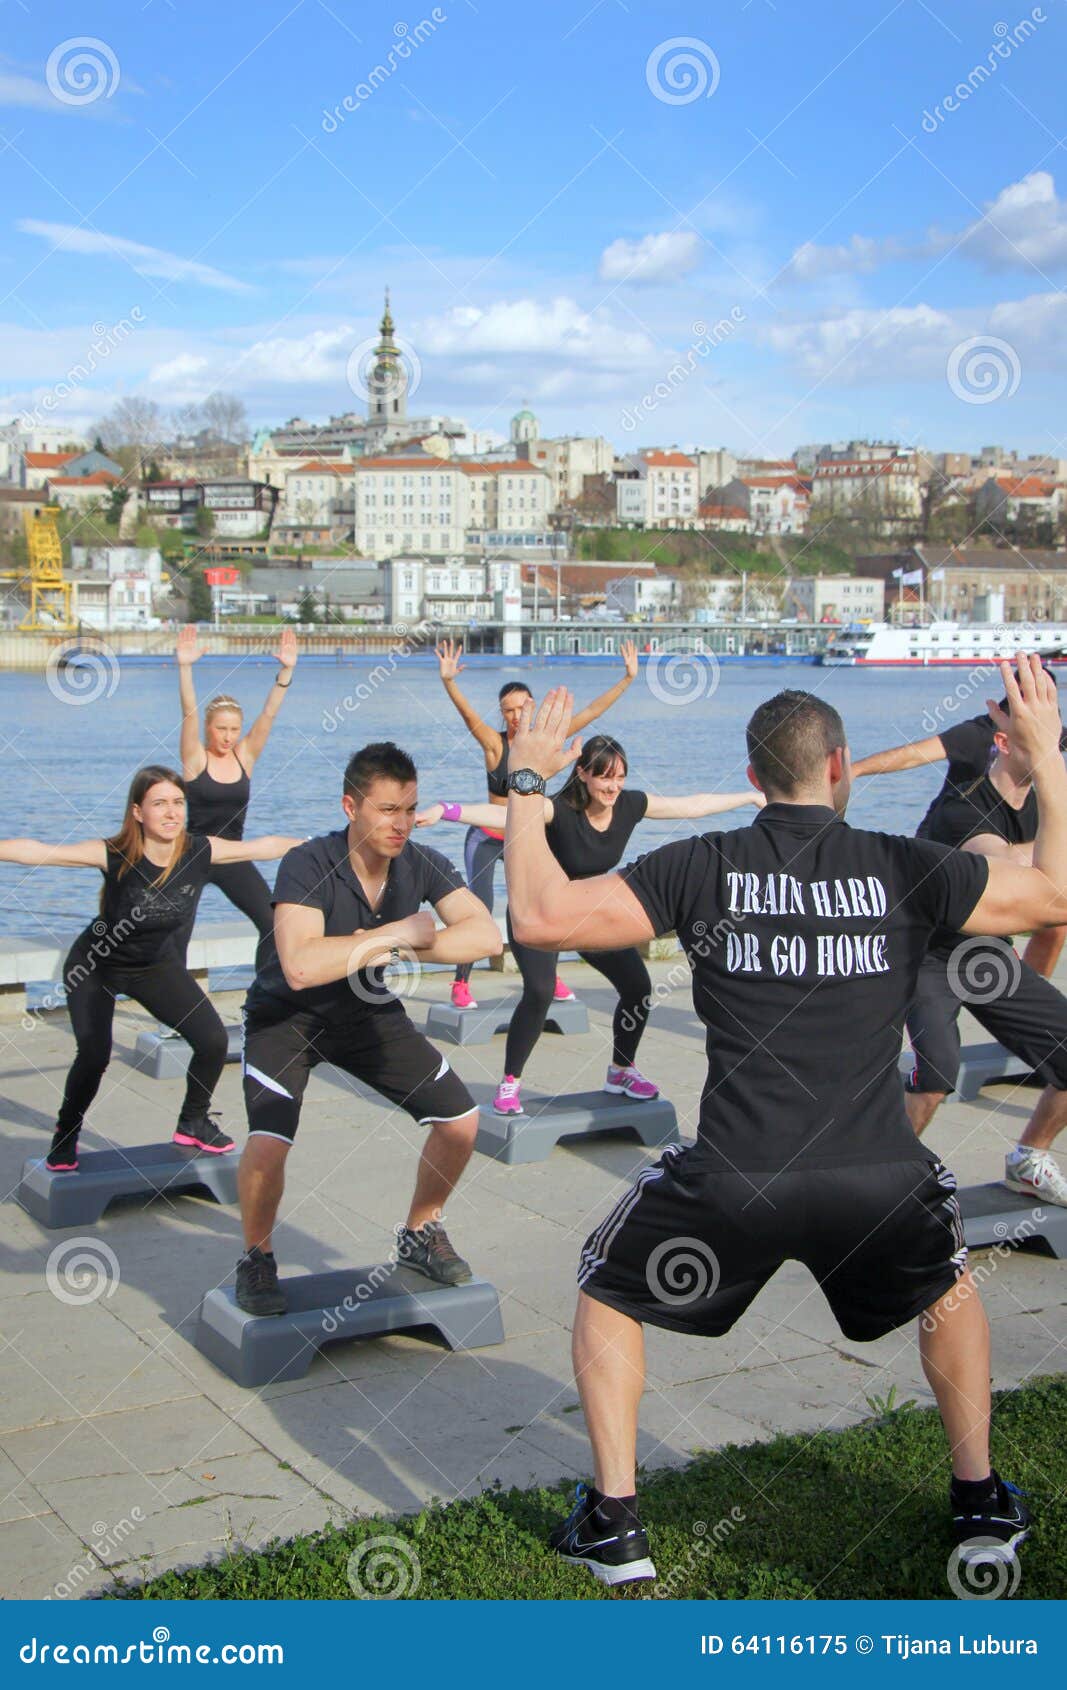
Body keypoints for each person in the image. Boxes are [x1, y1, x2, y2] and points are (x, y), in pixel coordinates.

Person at [501, 660, 1067, 1586]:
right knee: (948, 1285)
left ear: (754, 774)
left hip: (737, 1177)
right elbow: (1052, 894)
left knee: (608, 1289)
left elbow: (536, 915)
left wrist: (527, 781)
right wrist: (1044, 755)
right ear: (838, 767)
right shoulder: (903, 865)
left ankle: (615, 1524)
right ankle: (978, 1501)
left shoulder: (701, 864)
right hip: (876, 1175)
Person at [235, 741, 502, 1317]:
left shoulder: (421, 861)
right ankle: (256, 1256)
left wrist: (385, 944)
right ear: (351, 806)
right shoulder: (308, 861)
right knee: (269, 1139)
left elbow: (486, 937)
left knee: (461, 1121)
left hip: (367, 1013)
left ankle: (419, 1233)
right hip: (286, 1019)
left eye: (409, 809)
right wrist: (401, 934)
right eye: (387, 810)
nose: (401, 823)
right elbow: (301, 966)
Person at [418, 736, 758, 1116]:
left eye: (620, 778)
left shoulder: (629, 805)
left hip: (588, 914)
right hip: (541, 914)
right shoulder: (559, 809)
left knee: (638, 987)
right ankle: (510, 1084)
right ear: (582, 774)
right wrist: (446, 810)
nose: (613, 787)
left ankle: (621, 1070)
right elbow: (504, 815)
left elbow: (690, 805)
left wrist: (749, 797)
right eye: (604, 778)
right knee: (540, 992)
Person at [0, 767, 301, 1172]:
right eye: (160, 803)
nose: (172, 812)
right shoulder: (115, 852)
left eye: (178, 802)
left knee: (213, 1041)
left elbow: (266, 847)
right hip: (96, 965)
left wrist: (334, 845)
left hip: (154, 966)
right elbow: (37, 851)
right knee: (94, 1055)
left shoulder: (200, 850)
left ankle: (193, 1121)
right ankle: (65, 1137)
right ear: (138, 812)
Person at [903, 708, 1067, 1205]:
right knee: (935, 1076)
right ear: (1004, 742)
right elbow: (1005, 862)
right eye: (1038, 741)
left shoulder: (1043, 803)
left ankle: (1028, 1159)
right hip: (924, 953)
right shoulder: (963, 805)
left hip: (983, 955)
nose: (1050, 752)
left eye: (1055, 743)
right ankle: (881, 1175)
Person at [434, 637, 639, 1011]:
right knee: (479, 906)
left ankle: (547, 976)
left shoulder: (549, 740)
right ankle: (461, 982)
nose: (514, 715)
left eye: (521, 707)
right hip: (487, 837)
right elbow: (467, 716)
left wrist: (628, 679)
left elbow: (592, 712)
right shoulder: (495, 746)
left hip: (526, 838)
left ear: (533, 707)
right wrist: (449, 681)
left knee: (546, 901)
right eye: (507, 710)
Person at [852, 691, 1067, 978]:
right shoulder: (975, 735)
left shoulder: (1039, 784)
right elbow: (911, 755)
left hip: (993, 855)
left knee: (1055, 916)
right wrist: (853, 770)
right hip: (952, 843)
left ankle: (1029, 988)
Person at [175, 624, 298, 971]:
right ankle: (177, 1015)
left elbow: (268, 715)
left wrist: (285, 672)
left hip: (234, 855)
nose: (228, 736)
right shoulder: (196, 758)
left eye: (233, 729)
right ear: (208, 729)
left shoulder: (245, 757)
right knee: (177, 935)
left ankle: (260, 1003)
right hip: (192, 857)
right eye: (220, 728)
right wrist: (185, 667)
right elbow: (189, 711)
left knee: (273, 924)